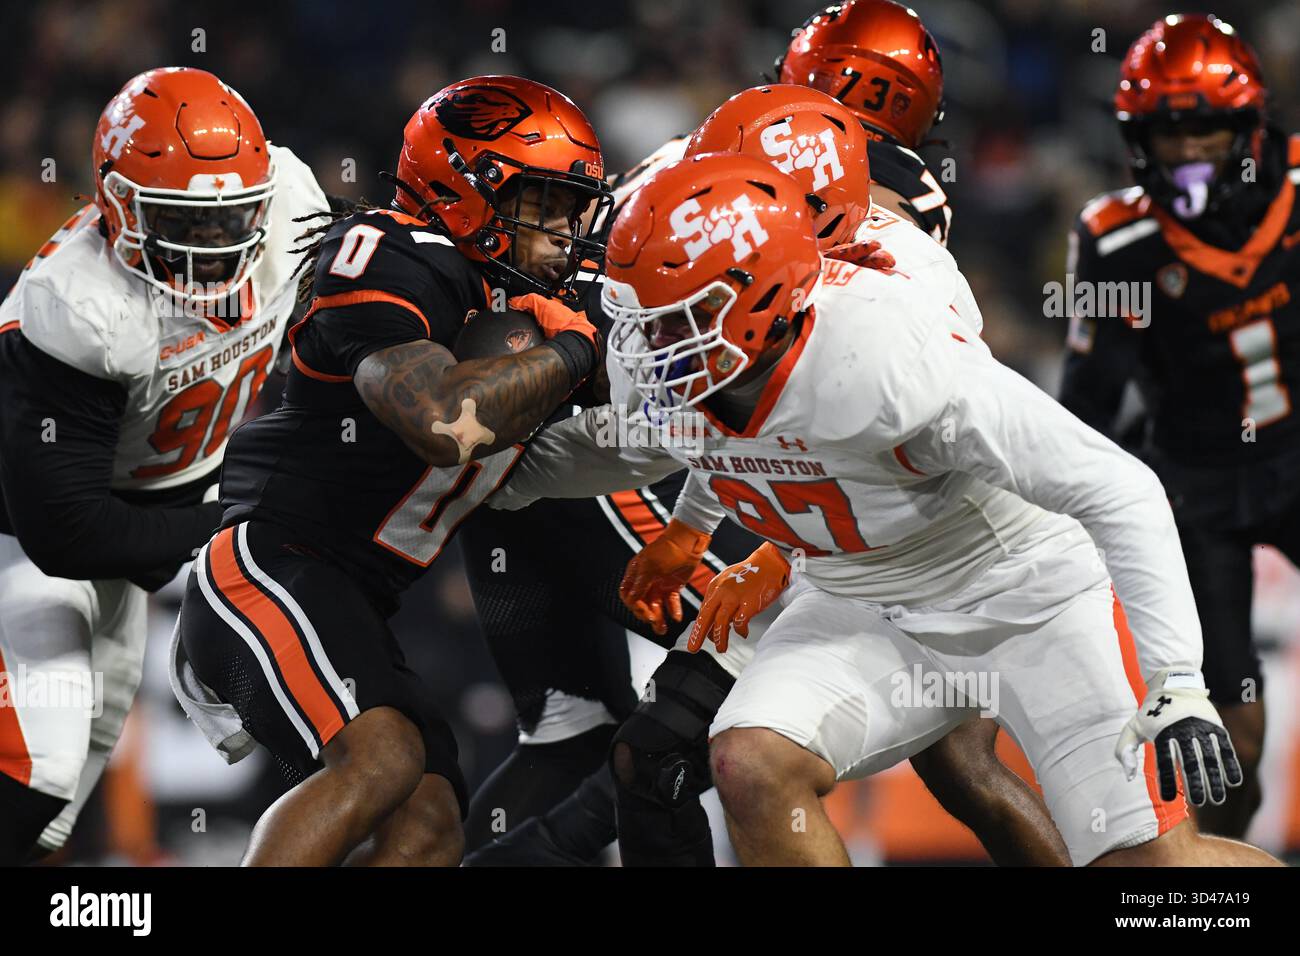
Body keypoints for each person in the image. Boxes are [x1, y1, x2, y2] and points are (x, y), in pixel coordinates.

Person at [489, 150, 1281, 866]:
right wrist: (465, 471)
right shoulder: (676, 367)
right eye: (640, 319)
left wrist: (1178, 678)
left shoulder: (883, 359)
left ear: (759, 298)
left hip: (1026, 595)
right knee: (752, 761)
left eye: (675, 318)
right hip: (861, 599)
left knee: (1148, 881)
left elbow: (1117, 486)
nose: (643, 347)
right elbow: (620, 447)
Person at [172, 75, 611, 866]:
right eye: (540, 202)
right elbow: (442, 421)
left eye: (571, 208)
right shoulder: (393, 252)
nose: (563, 231)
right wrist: (574, 352)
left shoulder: (521, 301)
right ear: (465, 188)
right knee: (381, 761)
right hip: (267, 566)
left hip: (355, 601)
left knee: (430, 825)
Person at [0, 66, 327, 864]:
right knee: (33, 768)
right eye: (187, 221)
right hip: (28, 543)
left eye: (233, 219)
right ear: (115, 203)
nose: (217, 248)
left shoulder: (289, 202)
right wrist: (237, 520)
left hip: (139, 526)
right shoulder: (78, 306)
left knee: (56, 810)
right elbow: (67, 534)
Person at [1058, 13, 1300, 838]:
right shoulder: (1115, 237)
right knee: (1230, 738)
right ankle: (1224, 882)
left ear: (1247, 125)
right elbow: (1089, 398)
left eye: (1206, 125)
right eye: (1169, 131)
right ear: (1137, 138)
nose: (1190, 147)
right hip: (1197, 491)